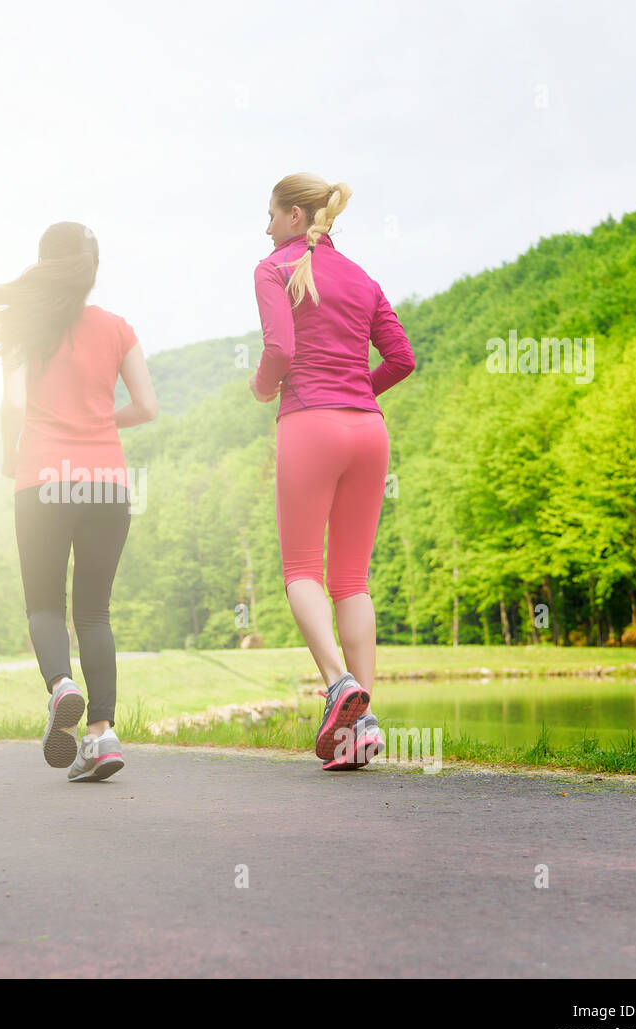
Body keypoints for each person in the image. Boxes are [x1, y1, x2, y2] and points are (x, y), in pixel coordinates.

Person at [0, 221, 157, 782]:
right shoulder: (118, 328)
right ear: (92, 266)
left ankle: (60, 686)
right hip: (107, 484)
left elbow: (12, 403)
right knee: (95, 613)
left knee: (44, 605)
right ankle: (102, 736)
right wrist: (98, 419)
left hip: (44, 479)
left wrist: (8, 454)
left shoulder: (21, 325)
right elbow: (146, 406)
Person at [250, 174, 415, 771]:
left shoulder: (275, 269)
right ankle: (362, 728)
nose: (265, 228)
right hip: (369, 432)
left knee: (301, 570)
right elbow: (402, 359)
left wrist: (262, 389)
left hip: (309, 426)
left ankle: (339, 685)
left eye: (270, 215)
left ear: (295, 215)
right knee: (353, 580)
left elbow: (282, 352)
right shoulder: (364, 278)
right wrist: (356, 395)